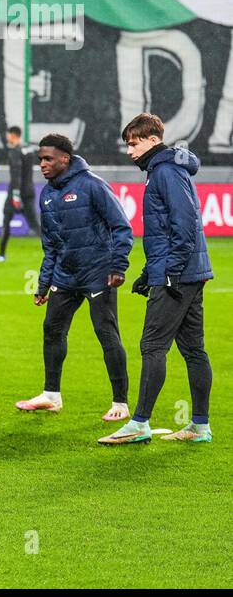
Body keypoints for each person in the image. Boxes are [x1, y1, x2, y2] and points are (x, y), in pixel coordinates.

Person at [101, 114, 214, 445]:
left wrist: (170, 271)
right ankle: (199, 426)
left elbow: (185, 223)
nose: (130, 151)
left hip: (178, 275)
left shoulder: (165, 171)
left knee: (152, 346)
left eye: (134, 144)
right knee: (194, 349)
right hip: (187, 272)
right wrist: (148, 273)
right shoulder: (163, 170)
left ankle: (139, 424)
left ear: (153, 140)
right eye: (127, 145)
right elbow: (167, 230)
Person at [16, 134, 132, 422]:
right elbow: (51, 245)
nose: (42, 164)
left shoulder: (92, 185)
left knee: (106, 334)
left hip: (98, 273)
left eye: (48, 159)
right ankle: (51, 396)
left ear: (65, 159)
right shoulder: (48, 195)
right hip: (66, 275)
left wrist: (118, 267)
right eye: (40, 159)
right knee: (52, 329)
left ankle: (121, 403)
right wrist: (43, 284)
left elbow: (122, 227)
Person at [0, 125, 40, 262]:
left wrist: (16, 195)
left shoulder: (15, 152)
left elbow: (16, 174)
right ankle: (58, 251)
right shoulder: (29, 150)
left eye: (8, 135)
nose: (7, 137)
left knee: (6, 220)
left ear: (12, 135)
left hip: (17, 192)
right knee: (35, 224)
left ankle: (1, 254)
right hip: (30, 190)